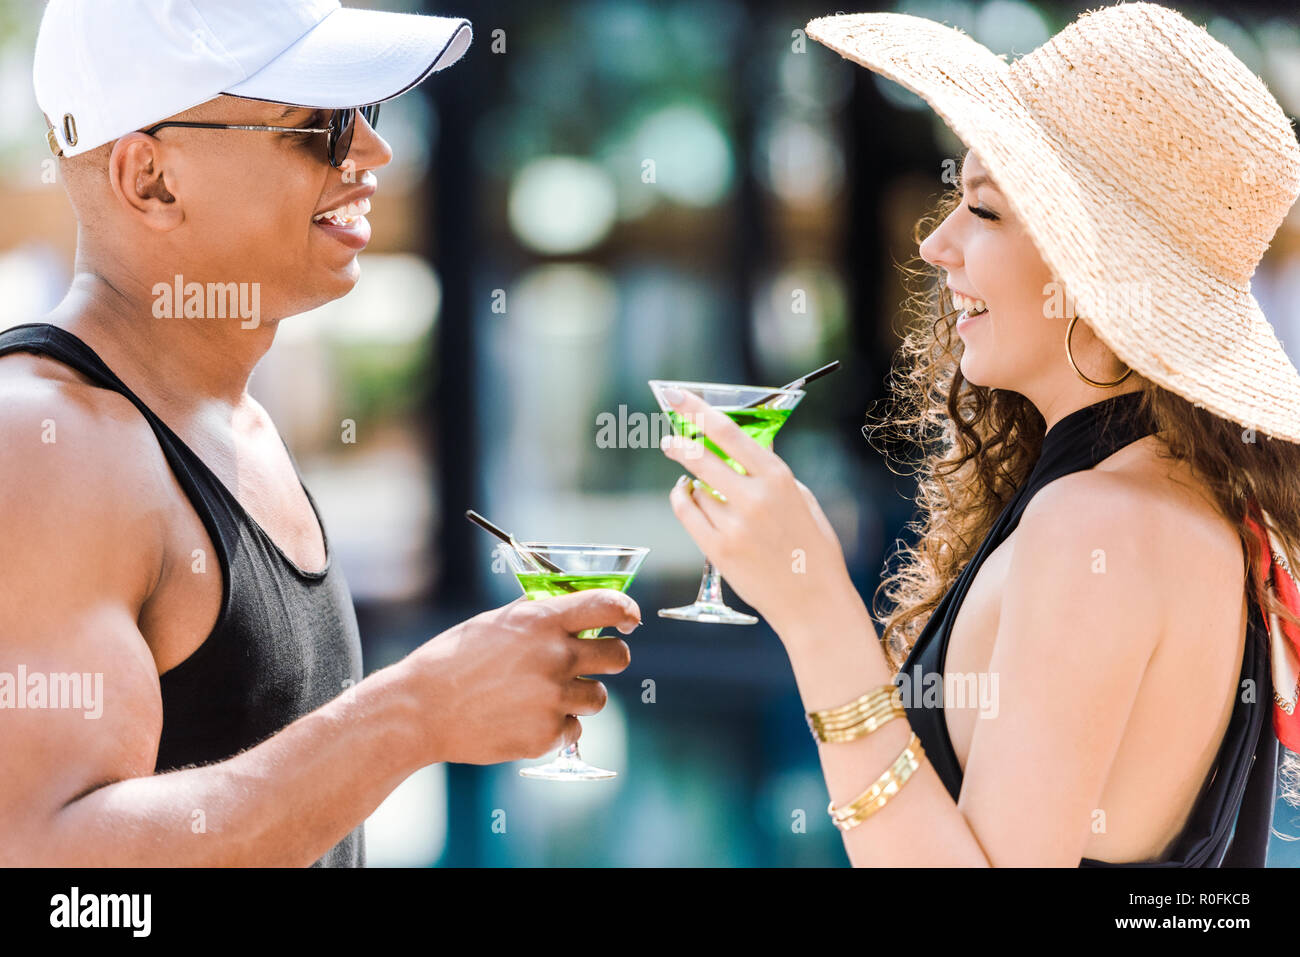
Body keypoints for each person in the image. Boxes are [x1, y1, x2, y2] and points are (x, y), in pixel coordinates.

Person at [659, 2, 1300, 866]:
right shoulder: (1179, 498)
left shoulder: (1096, 526)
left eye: (986, 211)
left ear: (1090, 272)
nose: (936, 245)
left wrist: (813, 608)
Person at [0, 0, 638, 868]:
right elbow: (50, 868)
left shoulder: (229, 419)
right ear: (152, 179)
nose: (373, 154)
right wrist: (415, 712)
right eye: (322, 126)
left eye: (366, 113)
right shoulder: (49, 443)